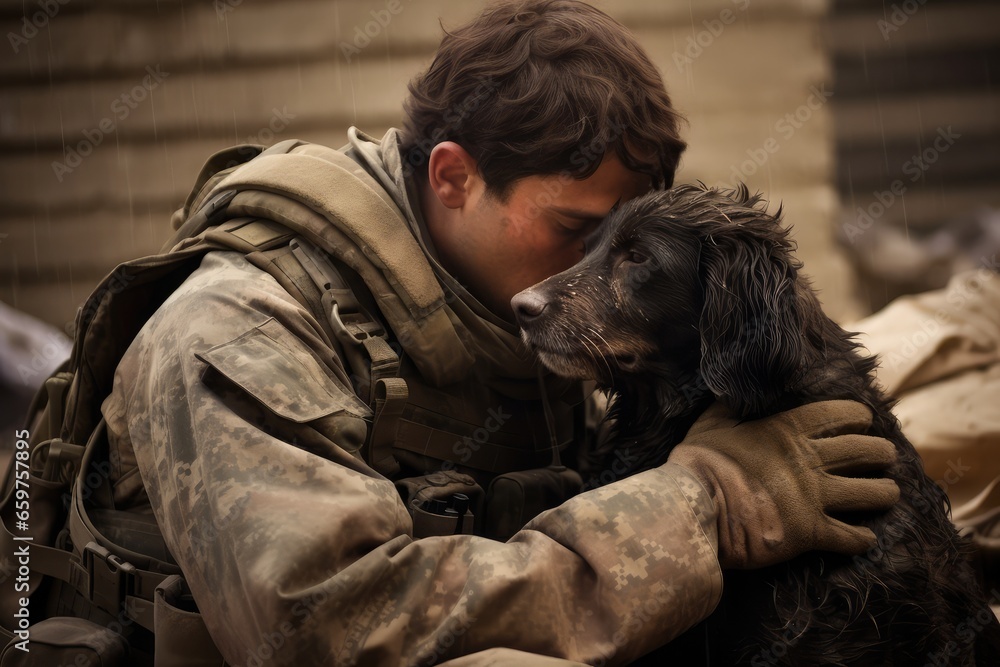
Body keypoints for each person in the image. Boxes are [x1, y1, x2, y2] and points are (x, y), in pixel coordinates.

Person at [97, 1, 900, 664]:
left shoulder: (487, 294)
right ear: (452, 176)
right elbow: (328, 630)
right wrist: (704, 504)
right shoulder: (238, 326)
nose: (576, 283)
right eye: (573, 230)